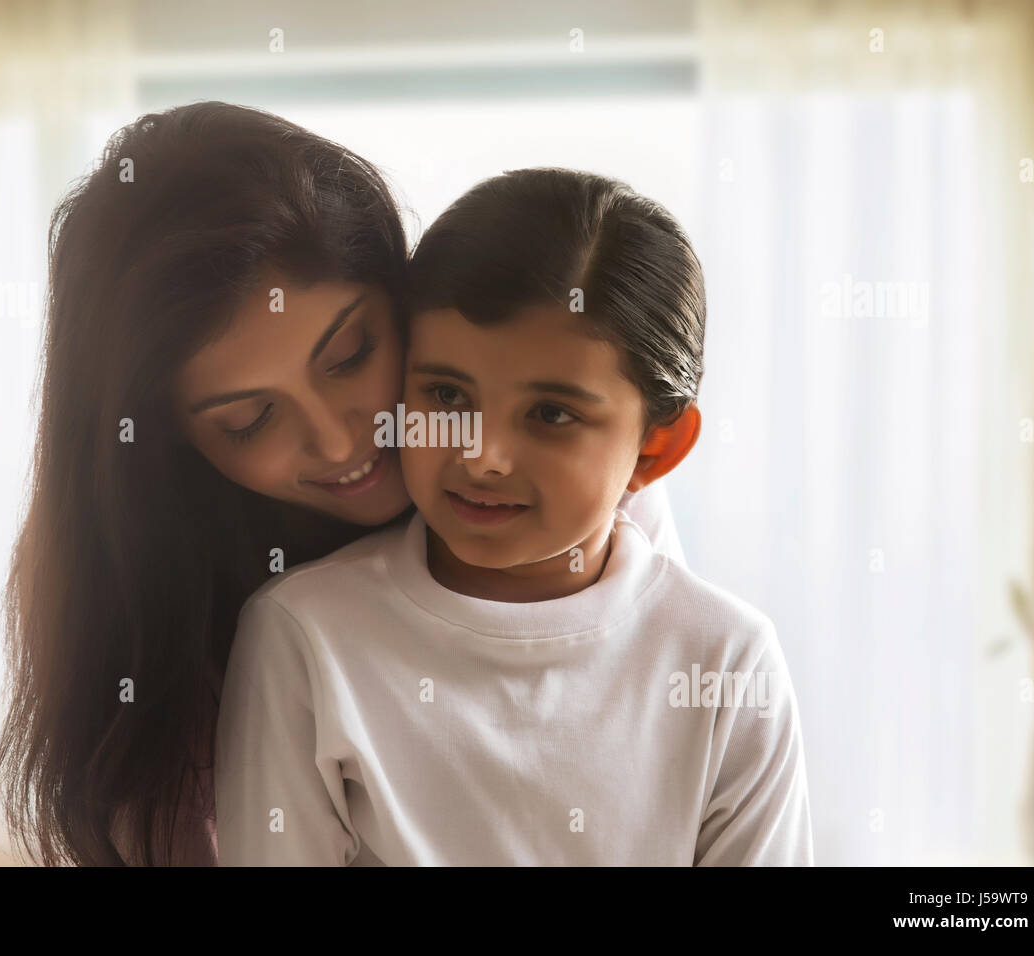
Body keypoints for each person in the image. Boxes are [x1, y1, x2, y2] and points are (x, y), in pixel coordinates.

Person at [0, 102, 688, 866]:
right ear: (169, 441)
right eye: (249, 420)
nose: (340, 438)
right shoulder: (145, 613)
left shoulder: (577, 501)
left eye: (350, 354)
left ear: (405, 296)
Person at [214, 168, 813, 865]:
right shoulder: (302, 637)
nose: (482, 455)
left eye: (551, 414)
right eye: (446, 394)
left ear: (657, 445)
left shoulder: (729, 661)